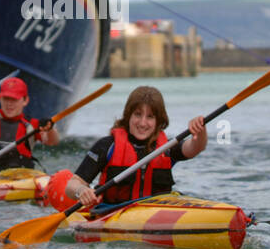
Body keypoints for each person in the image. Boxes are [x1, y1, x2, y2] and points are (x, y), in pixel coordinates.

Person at [60, 86, 207, 208]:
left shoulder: (167, 147)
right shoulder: (107, 146)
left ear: (158, 121)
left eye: (150, 117)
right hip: (112, 213)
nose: (142, 123)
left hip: (157, 211)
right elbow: (71, 185)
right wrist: (81, 190)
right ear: (128, 116)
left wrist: (200, 130)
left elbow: (196, 147)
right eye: (137, 115)